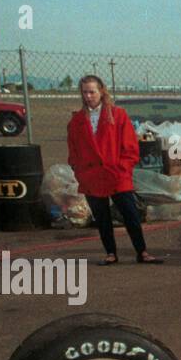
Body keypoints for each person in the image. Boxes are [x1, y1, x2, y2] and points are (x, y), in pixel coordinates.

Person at [66, 75, 162, 265]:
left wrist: (122, 169)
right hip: (92, 177)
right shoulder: (76, 121)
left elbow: (131, 148)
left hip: (117, 175)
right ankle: (111, 253)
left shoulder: (117, 115)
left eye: (92, 92)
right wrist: (80, 172)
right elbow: (73, 152)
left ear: (101, 91)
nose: (88, 96)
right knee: (102, 217)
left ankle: (142, 252)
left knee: (130, 215)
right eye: (85, 92)